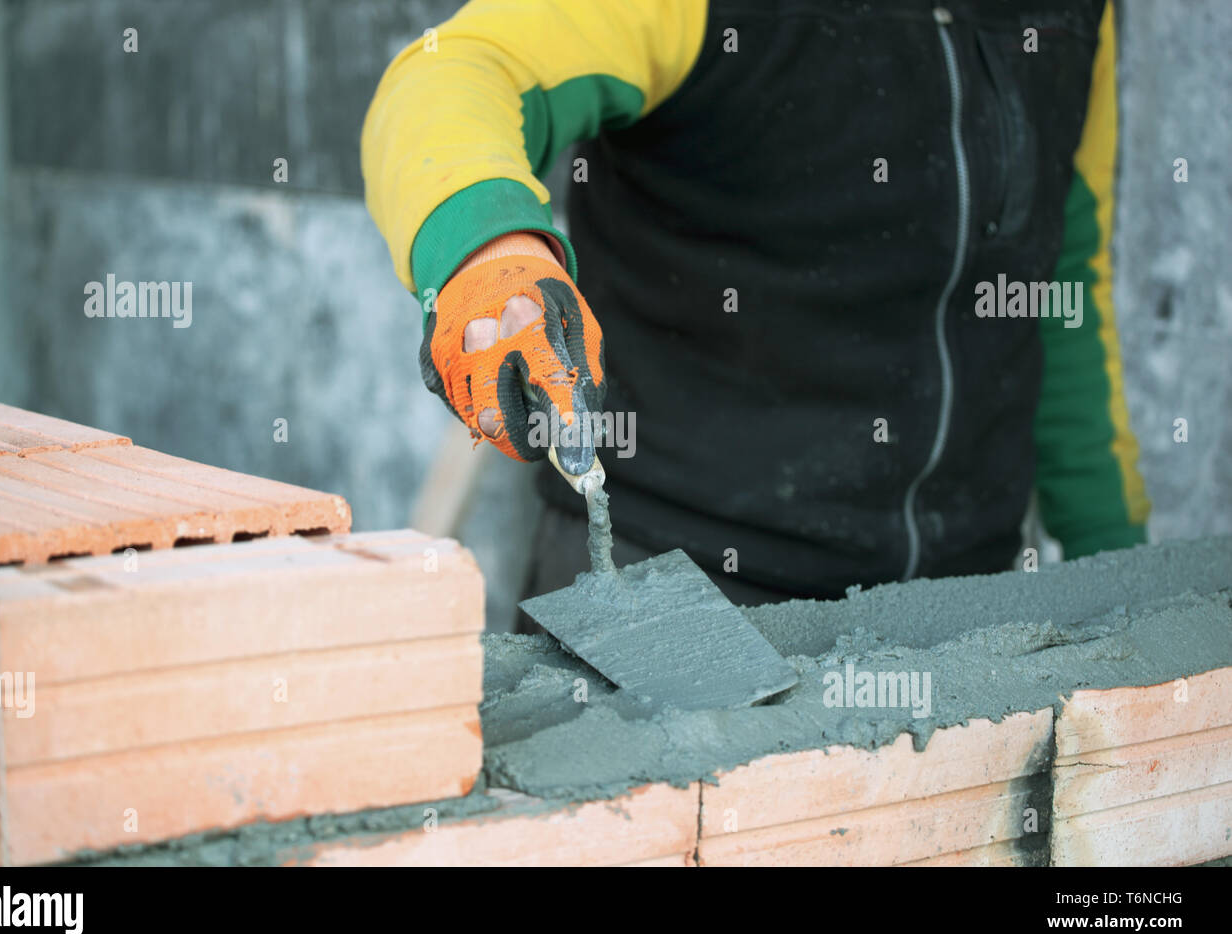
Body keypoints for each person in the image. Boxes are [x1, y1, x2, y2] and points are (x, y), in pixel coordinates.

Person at [362, 0, 1149, 607]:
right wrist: (484, 251)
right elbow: (454, 70)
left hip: (964, 606)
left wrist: (1114, 562)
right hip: (670, 586)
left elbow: (1060, 279)